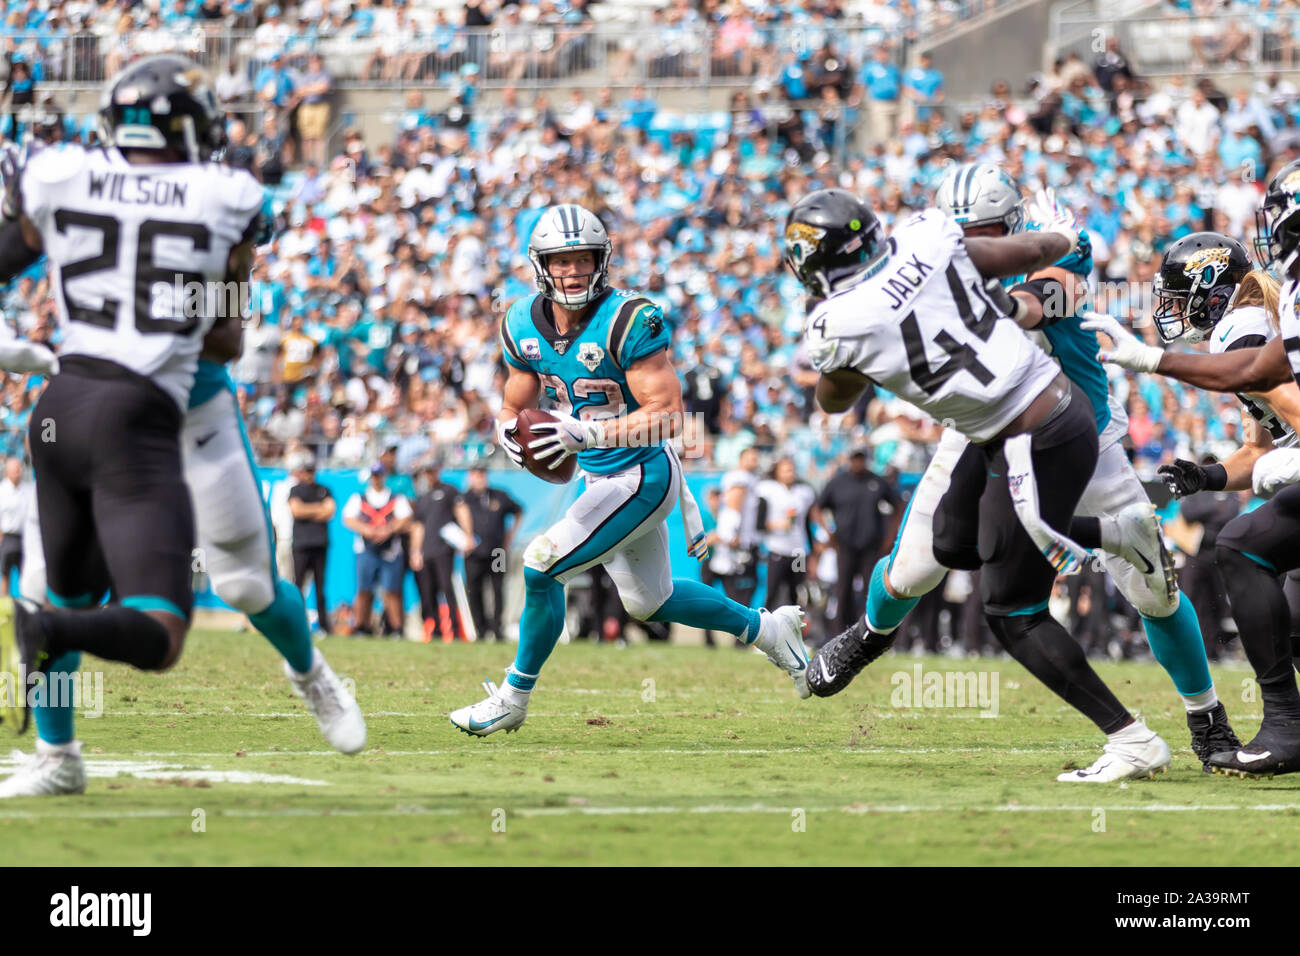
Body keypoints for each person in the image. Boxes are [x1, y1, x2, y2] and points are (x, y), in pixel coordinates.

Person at [0, 56, 362, 801]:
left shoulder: (66, 177)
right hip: (111, 400)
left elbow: (227, 337)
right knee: (50, 589)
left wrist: (164, 310)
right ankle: (57, 752)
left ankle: (311, 674)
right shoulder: (219, 193)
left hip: (188, 403)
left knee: (244, 580)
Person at [813, 165, 1239, 774]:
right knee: (912, 569)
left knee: (1153, 593)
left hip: (1077, 429)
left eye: (982, 232)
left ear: (1010, 225)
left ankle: (1206, 714)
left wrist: (977, 299)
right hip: (980, 429)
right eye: (962, 234)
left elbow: (1038, 302)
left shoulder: (1057, 244)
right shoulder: (931, 256)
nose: (970, 244)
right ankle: (867, 637)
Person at [450, 203, 811, 737]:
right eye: (561, 261)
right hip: (600, 476)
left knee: (541, 565)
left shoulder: (629, 319)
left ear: (602, 260)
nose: (573, 271)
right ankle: (767, 630)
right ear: (540, 264)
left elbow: (669, 417)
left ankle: (513, 696)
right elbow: (515, 397)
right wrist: (504, 427)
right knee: (651, 601)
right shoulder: (521, 321)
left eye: (583, 259)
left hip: (641, 472)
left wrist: (586, 433)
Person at [1086, 165, 1300, 774]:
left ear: (1209, 288)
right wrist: (1208, 477)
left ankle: (1287, 726)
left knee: (1239, 547)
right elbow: (1261, 448)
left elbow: (1291, 424)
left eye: (1177, 296)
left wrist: (1154, 360)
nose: (1170, 309)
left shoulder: (1242, 325)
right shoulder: (1257, 314)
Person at [816, 450, 901, 635]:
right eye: (855, 459)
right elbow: (817, 507)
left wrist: (889, 538)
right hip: (844, 545)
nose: (858, 463)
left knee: (871, 591)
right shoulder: (838, 482)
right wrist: (827, 532)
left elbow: (899, 506)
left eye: (861, 459)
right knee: (842, 590)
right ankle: (838, 632)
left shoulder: (877, 482)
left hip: (871, 547)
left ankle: (869, 631)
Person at [343, 462, 412, 638]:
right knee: (364, 590)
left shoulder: (396, 498)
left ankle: (396, 627)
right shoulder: (360, 497)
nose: (376, 478)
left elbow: (405, 517)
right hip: (366, 549)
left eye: (379, 475)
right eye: (374, 475)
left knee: (392, 590)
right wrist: (366, 530)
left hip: (390, 550)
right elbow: (348, 518)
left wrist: (388, 530)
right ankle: (361, 625)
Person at [409, 461, 473, 643]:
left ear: (437, 471)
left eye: (431, 471)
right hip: (427, 550)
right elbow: (418, 526)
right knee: (429, 591)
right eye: (426, 472)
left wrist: (467, 536)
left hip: (444, 549)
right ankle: (435, 628)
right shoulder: (422, 497)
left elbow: (462, 511)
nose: (429, 475)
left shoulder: (449, 490)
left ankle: (454, 629)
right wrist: (415, 551)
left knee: (447, 587)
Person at [461, 465, 521, 644]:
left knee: (497, 588)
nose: (479, 478)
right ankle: (480, 629)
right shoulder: (464, 499)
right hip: (473, 552)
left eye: (481, 474)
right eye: (475, 475)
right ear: (470, 477)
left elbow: (518, 511)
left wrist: (510, 536)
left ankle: (497, 628)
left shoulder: (499, 495)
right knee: (474, 590)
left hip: (497, 551)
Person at [757, 456, 820, 611]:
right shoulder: (768, 489)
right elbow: (758, 523)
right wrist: (777, 524)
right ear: (777, 471)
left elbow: (807, 523)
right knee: (772, 593)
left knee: (797, 593)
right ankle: (765, 631)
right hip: (777, 549)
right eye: (785, 470)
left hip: (798, 551)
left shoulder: (803, 491)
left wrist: (812, 551)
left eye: (791, 469)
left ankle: (793, 631)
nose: (789, 473)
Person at [288, 452, 335, 636]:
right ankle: (296, 623)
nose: (309, 474)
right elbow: (296, 511)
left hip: (319, 544)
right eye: (306, 470)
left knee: (320, 588)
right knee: (298, 586)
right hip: (301, 544)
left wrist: (308, 510)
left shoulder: (324, 489)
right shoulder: (296, 490)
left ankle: (323, 625)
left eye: (311, 470)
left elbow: (329, 511)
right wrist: (318, 508)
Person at [0, 457, 29, 598]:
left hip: (24, 538)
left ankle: (26, 610)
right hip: (6, 537)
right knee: (5, 574)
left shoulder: (28, 489)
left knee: (25, 575)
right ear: (7, 472)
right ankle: (4, 610)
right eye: (15, 470)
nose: (18, 472)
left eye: (19, 469)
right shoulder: (2, 491)